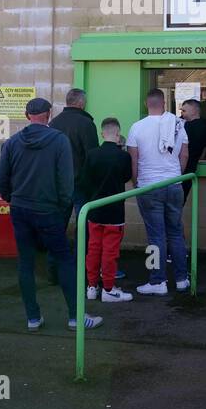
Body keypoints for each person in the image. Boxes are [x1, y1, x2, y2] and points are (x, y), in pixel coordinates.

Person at [0, 97, 102, 331]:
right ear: (49, 114)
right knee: (65, 259)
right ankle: (76, 317)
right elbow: (65, 180)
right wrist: (62, 204)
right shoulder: (59, 140)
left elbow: (2, 178)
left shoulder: (12, 142)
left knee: (26, 262)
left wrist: (12, 198)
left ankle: (33, 318)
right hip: (48, 209)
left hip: (20, 209)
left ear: (27, 116)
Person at [127, 89, 191, 295]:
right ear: (164, 103)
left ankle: (157, 281)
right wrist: (176, 175)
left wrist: (137, 183)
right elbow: (184, 155)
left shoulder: (136, 127)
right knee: (176, 233)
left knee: (155, 236)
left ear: (146, 104)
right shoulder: (178, 125)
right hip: (174, 184)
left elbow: (133, 159)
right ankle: (182, 279)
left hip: (149, 186)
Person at [47, 88, 100, 284]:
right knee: (83, 229)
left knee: (57, 228)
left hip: (58, 185)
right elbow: (92, 157)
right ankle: (80, 273)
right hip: (81, 185)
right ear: (81, 103)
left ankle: (54, 272)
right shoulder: (86, 124)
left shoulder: (53, 123)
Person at [81, 117, 134, 303]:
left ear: (102, 133)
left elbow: (85, 181)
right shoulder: (123, 157)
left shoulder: (92, 154)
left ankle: (91, 287)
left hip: (94, 209)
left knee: (93, 249)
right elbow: (127, 177)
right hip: (115, 210)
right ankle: (109, 289)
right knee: (110, 252)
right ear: (118, 134)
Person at [179, 98, 206, 205]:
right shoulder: (180, 123)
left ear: (194, 110)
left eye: (184, 110)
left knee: (177, 202)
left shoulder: (201, 125)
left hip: (185, 168)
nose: (182, 114)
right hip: (181, 168)